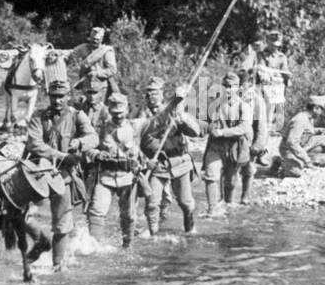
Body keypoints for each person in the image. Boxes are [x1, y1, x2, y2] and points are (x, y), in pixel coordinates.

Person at [25, 78, 98, 270]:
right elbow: (34, 143)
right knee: (21, 213)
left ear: (68, 97)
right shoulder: (38, 116)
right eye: (54, 96)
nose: (57, 101)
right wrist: (61, 155)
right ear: (49, 96)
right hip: (37, 174)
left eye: (61, 97)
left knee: (62, 223)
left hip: (62, 176)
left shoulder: (77, 116)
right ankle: (41, 241)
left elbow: (93, 138)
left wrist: (80, 143)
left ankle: (57, 265)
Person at [138, 77, 199, 235]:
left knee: (186, 203)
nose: (151, 96)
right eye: (148, 93)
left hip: (179, 161)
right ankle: (154, 235)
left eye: (155, 93)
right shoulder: (141, 115)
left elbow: (196, 132)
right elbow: (137, 141)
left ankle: (190, 230)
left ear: (162, 94)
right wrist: (144, 161)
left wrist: (182, 119)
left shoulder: (174, 111)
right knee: (152, 203)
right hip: (157, 164)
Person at [87, 92, 141, 248]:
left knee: (129, 215)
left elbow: (146, 148)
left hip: (128, 177)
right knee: (96, 212)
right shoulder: (100, 128)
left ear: (127, 110)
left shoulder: (135, 127)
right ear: (109, 111)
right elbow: (88, 147)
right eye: (115, 113)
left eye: (121, 112)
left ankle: (127, 245)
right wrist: (97, 154)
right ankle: (94, 247)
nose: (118, 116)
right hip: (106, 177)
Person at [201, 71, 254, 215]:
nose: (228, 89)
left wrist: (223, 132)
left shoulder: (244, 107)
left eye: (232, 86)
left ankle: (227, 204)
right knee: (211, 176)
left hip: (234, 148)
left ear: (238, 88)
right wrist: (206, 128)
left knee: (230, 182)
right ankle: (212, 209)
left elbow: (244, 127)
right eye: (225, 86)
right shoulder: (214, 104)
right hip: (215, 146)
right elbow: (203, 123)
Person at [274, 95, 325, 177]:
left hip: (302, 145)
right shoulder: (300, 120)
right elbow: (291, 142)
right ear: (315, 108)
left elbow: (306, 131)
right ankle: (281, 162)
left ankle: (301, 160)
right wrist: (306, 159)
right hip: (289, 150)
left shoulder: (309, 118)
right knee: (297, 173)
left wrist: (319, 130)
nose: (321, 112)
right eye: (321, 109)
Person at [238, 70, 270, 204]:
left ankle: (245, 196)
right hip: (231, 139)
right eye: (239, 84)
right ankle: (226, 199)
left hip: (248, 139)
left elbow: (262, 125)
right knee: (228, 171)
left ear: (249, 84)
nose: (241, 87)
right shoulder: (230, 97)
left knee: (248, 169)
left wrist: (258, 145)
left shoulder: (256, 100)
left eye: (243, 84)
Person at [254, 31, 291, 136]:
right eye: (272, 45)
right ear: (268, 43)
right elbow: (261, 68)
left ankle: (274, 127)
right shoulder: (261, 54)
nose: (274, 48)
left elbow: (285, 70)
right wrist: (265, 75)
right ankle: (264, 127)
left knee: (278, 106)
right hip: (266, 85)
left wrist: (288, 77)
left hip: (278, 85)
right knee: (267, 106)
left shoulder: (281, 57)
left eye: (276, 45)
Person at [67, 26, 118, 100]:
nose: (95, 41)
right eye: (93, 39)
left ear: (102, 39)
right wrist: (58, 53)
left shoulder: (106, 51)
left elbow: (112, 70)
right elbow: (71, 54)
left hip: (101, 86)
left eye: (97, 39)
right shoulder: (83, 48)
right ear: (90, 38)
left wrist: (97, 73)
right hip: (85, 85)